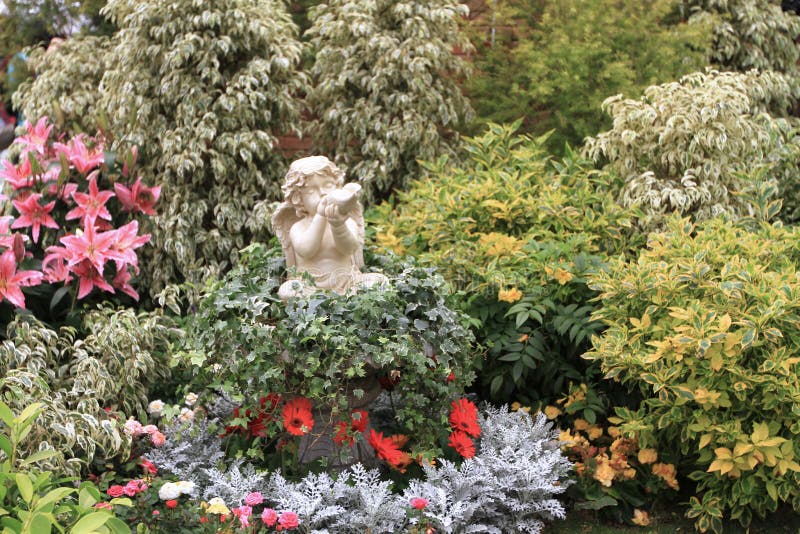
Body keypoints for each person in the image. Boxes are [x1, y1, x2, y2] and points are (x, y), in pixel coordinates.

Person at [271, 156, 387, 300]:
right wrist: (320, 215)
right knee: (287, 292)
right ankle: (317, 309)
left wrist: (338, 225)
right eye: (311, 191)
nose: (322, 193)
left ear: (338, 187)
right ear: (298, 199)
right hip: (310, 288)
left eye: (328, 185)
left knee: (380, 282)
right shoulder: (298, 227)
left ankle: (348, 306)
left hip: (347, 284)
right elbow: (307, 250)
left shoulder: (346, 221)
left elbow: (349, 249)